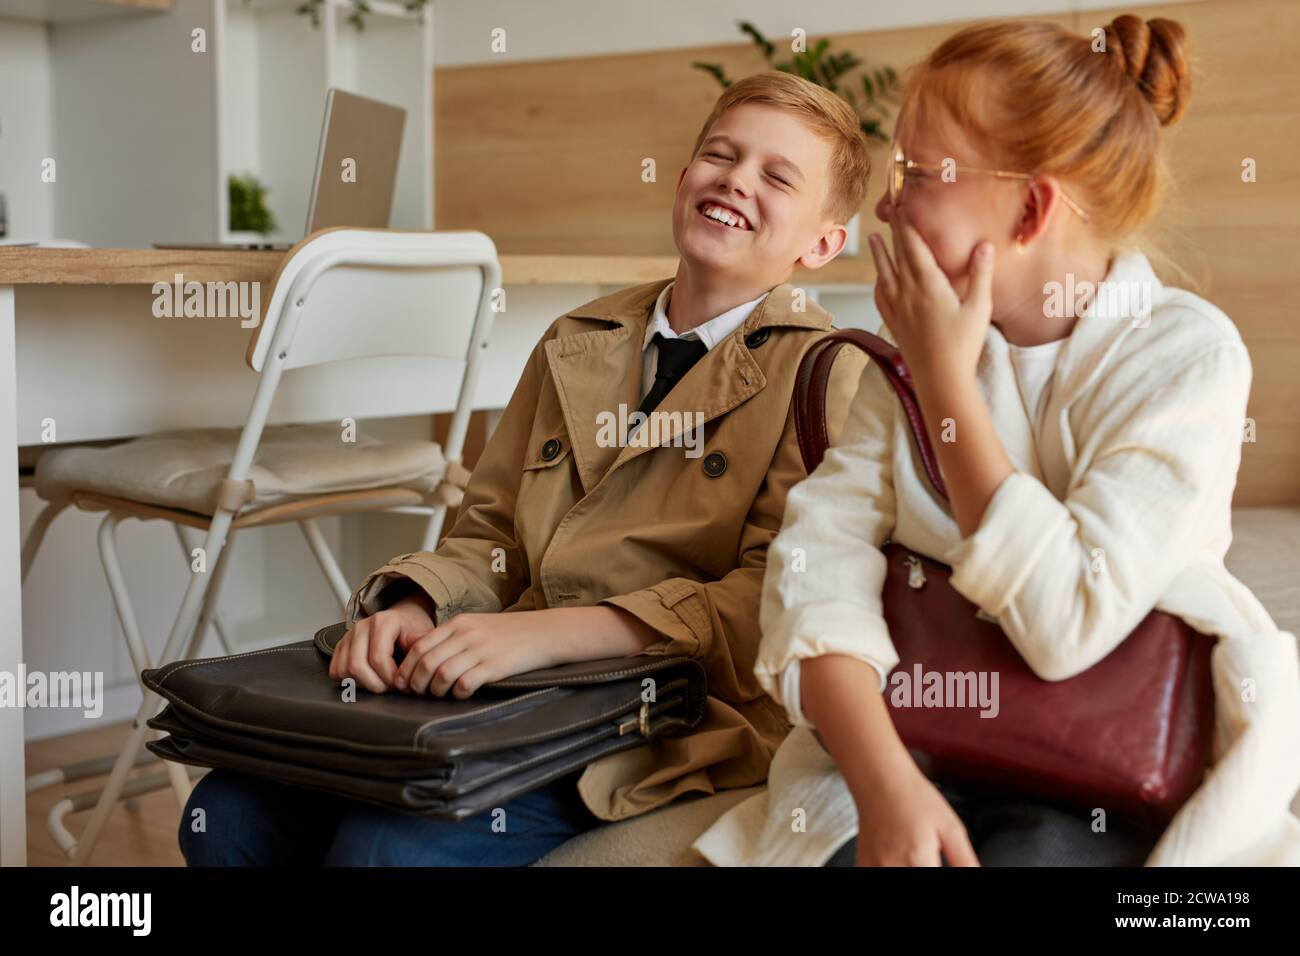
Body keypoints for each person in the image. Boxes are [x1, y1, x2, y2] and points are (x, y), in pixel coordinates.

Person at [179, 70, 872, 866]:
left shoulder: (830, 373)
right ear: (683, 181)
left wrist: (546, 636)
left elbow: (774, 597)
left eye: (777, 176)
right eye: (721, 155)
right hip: (506, 689)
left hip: (668, 717)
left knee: (383, 850)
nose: (736, 180)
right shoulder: (576, 336)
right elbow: (490, 529)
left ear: (823, 242)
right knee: (226, 812)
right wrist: (416, 604)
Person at [695, 15, 1300, 867]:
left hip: (1103, 769)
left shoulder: (1183, 356)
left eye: (917, 172)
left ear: (1031, 206)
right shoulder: (898, 353)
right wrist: (885, 787)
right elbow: (814, 574)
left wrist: (946, 387)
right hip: (907, 749)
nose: (887, 201)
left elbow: (1066, 623)